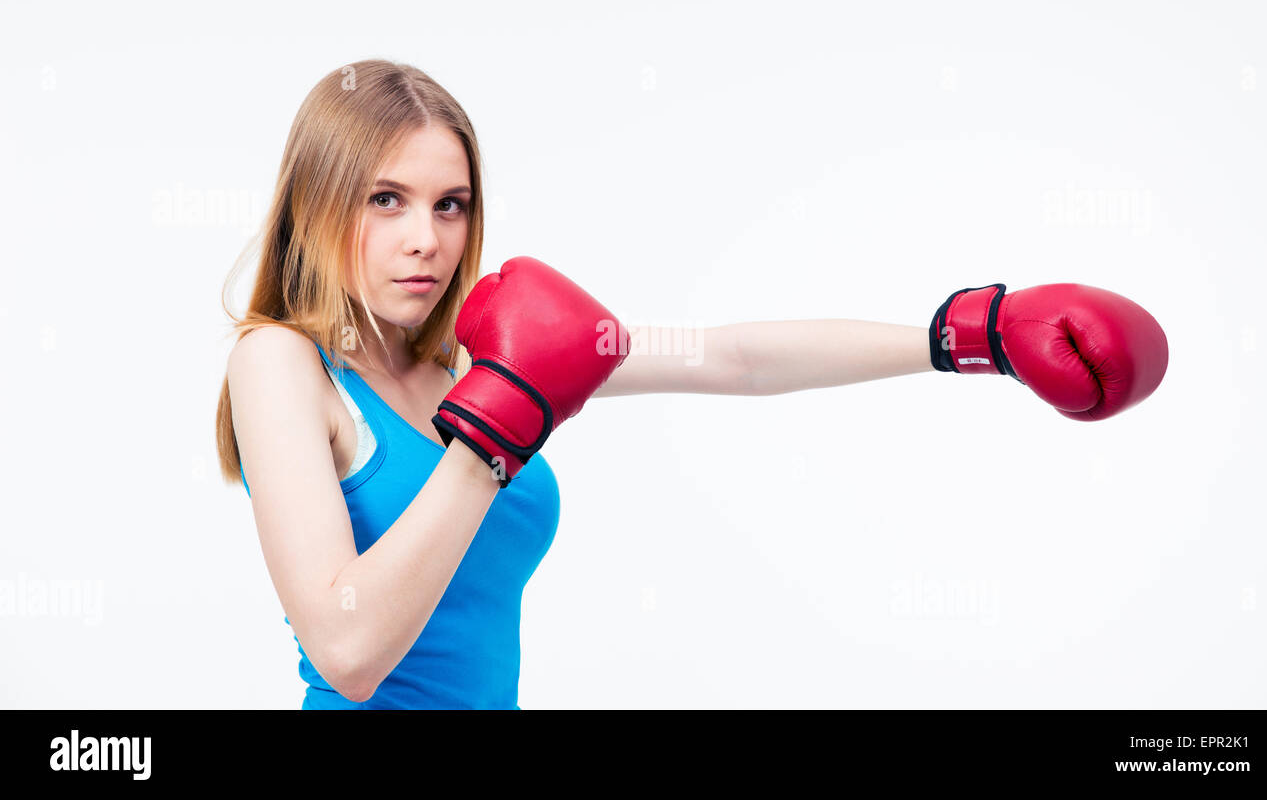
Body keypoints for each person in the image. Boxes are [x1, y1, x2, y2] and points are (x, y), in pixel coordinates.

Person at [215, 59, 1168, 709]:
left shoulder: (472, 354)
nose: (427, 238)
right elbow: (348, 651)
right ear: (320, 203)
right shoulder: (282, 364)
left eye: (450, 203)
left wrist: (966, 335)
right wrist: (492, 435)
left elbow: (728, 358)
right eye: (387, 199)